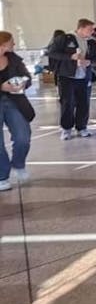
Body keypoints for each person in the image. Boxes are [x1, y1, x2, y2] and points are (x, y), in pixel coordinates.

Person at [48, 18, 96, 140]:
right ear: (81, 28)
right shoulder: (65, 38)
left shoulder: (91, 42)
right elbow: (52, 53)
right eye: (89, 29)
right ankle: (66, 128)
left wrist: (89, 62)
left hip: (84, 77)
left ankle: (82, 127)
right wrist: (71, 57)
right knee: (67, 103)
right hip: (67, 76)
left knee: (84, 103)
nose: (92, 31)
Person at [0, 31, 33, 191]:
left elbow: (27, 76)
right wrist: (1, 86)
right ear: (2, 44)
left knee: (23, 137)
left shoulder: (14, 59)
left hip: (14, 101)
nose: (14, 44)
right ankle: (2, 176)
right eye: (11, 42)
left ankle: (19, 164)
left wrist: (23, 83)